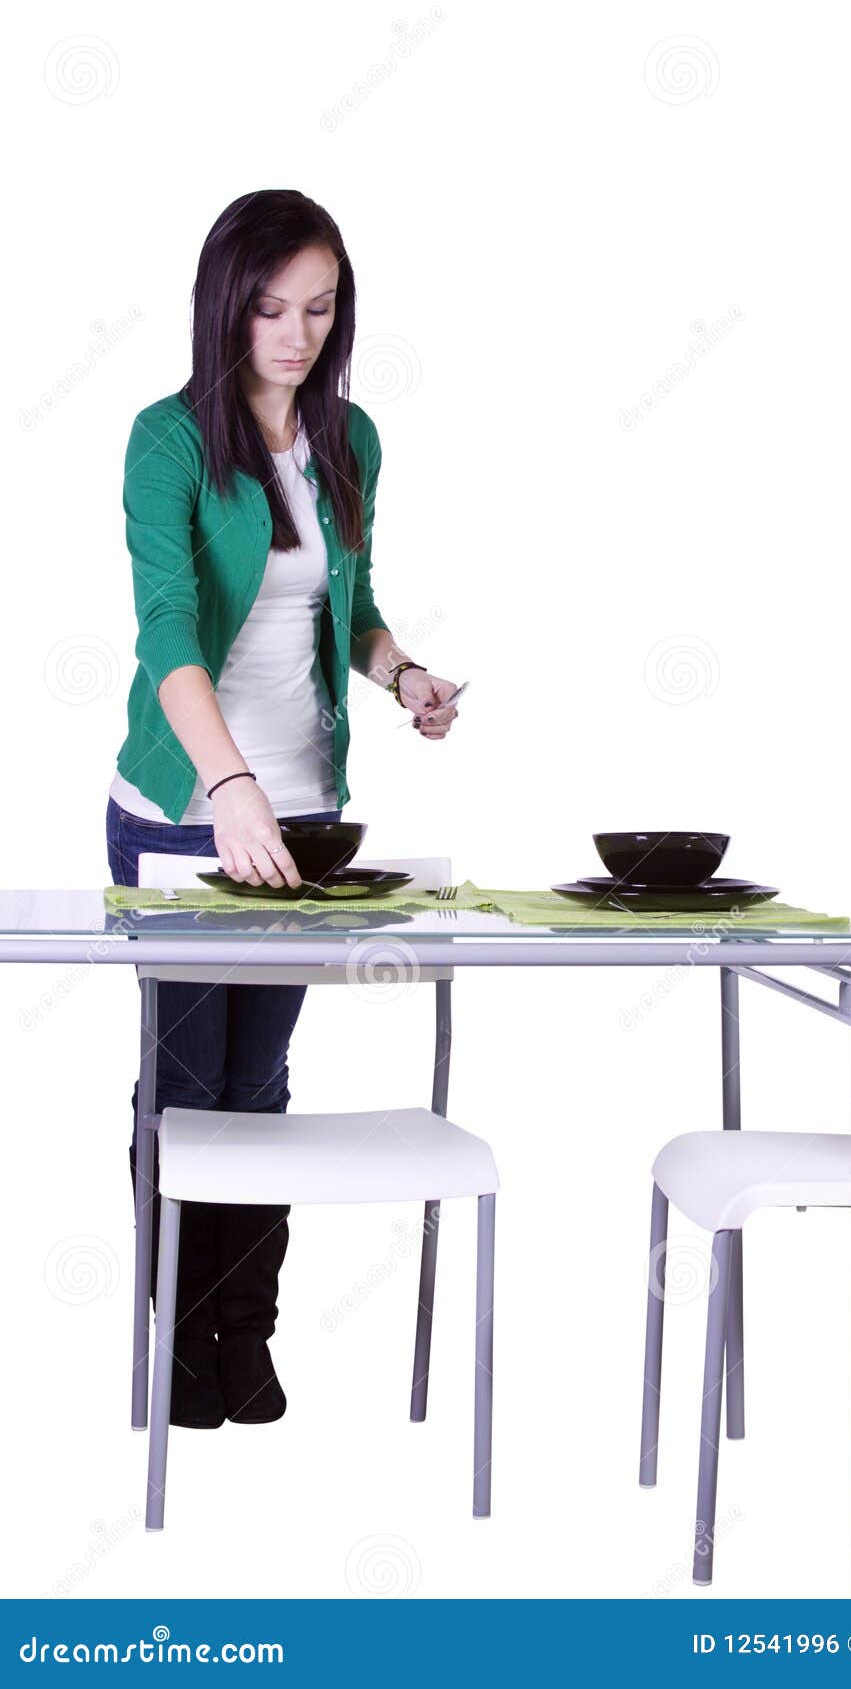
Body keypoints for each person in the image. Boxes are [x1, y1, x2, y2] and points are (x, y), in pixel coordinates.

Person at [105, 188, 461, 1428]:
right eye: (271, 307)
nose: (296, 333)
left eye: (319, 308)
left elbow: (344, 607)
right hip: (182, 812)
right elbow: (166, 631)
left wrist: (402, 672)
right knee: (187, 1089)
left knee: (260, 1091)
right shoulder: (168, 441)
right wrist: (228, 786)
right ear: (226, 304)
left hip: (307, 817)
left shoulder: (348, 437)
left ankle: (240, 1338)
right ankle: (175, 1340)